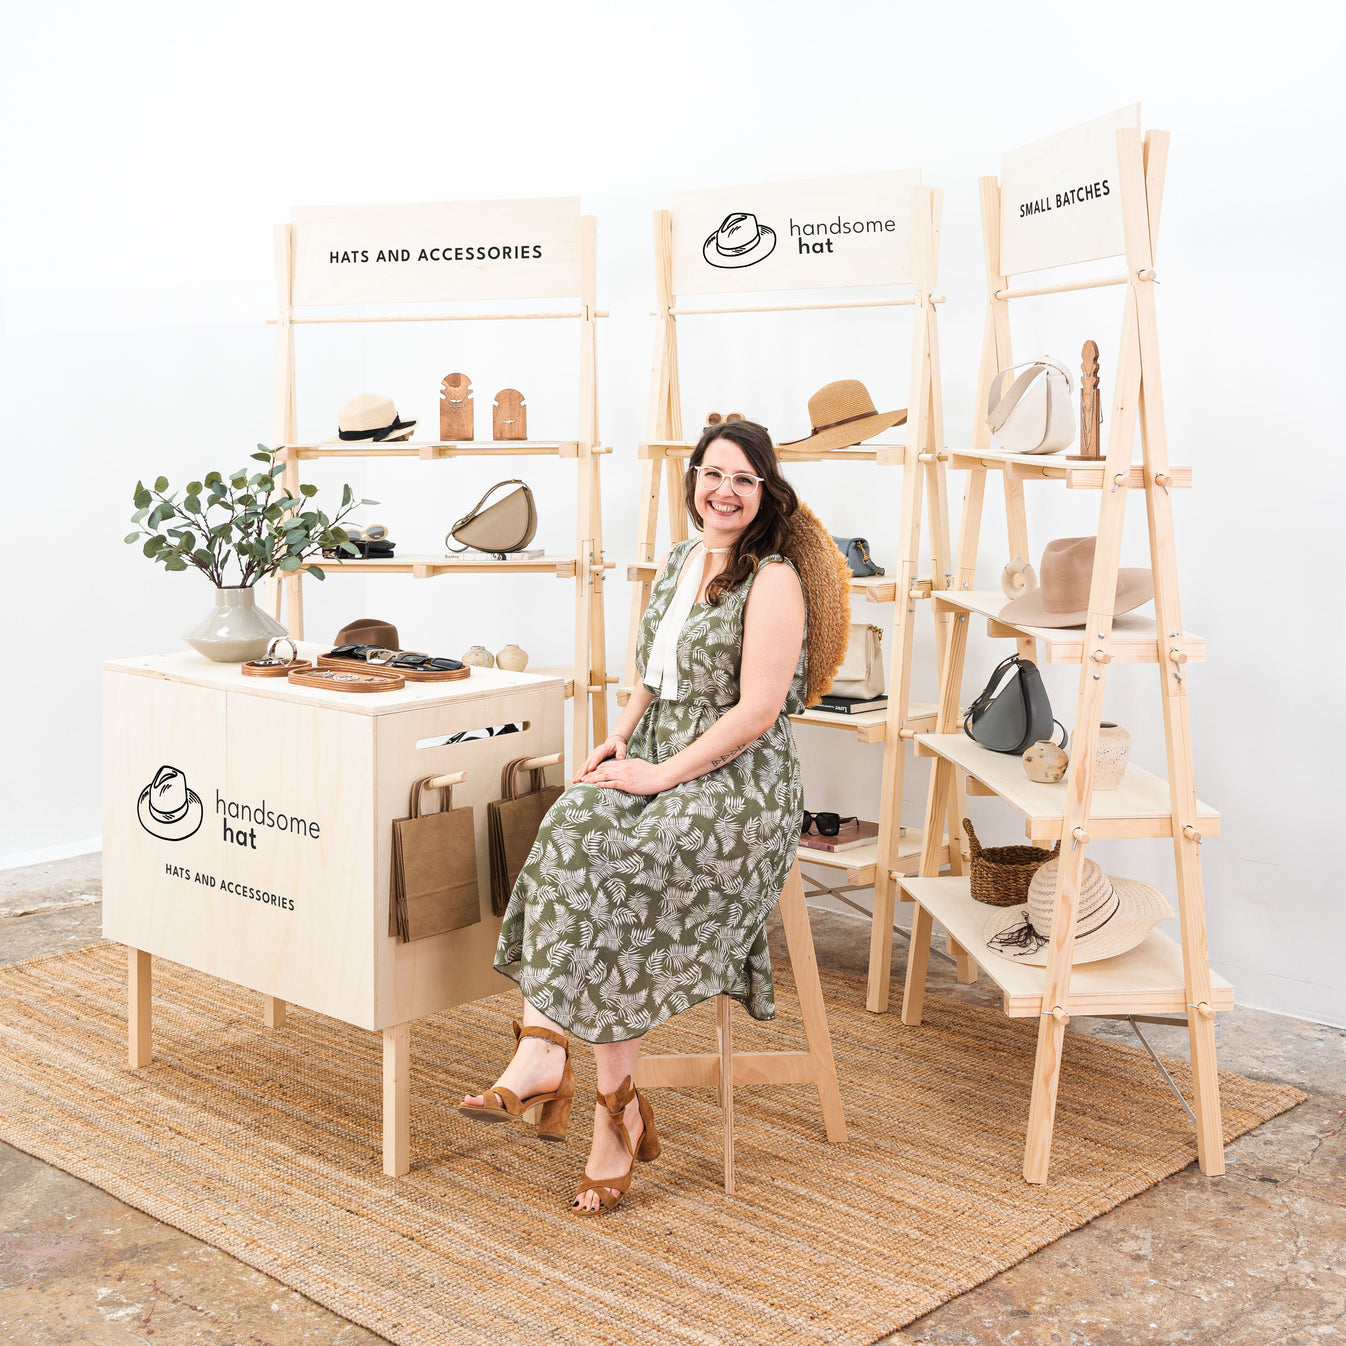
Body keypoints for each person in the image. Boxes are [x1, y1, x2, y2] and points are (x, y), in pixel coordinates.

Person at [460, 419, 837, 1216]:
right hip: (658, 750)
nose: (724, 491)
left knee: (623, 862)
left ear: (766, 492)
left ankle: (606, 1104)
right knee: (571, 823)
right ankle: (555, 1057)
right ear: (693, 478)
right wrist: (619, 737)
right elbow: (651, 676)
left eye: (744, 479)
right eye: (713, 473)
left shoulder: (772, 580)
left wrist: (660, 774)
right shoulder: (679, 560)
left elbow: (759, 712)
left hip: (739, 782)